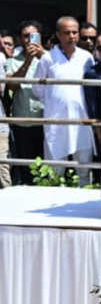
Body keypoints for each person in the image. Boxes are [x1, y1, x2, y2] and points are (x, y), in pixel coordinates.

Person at [32, 17, 94, 185]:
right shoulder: (48, 58)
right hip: (56, 119)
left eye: (75, 32)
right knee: (55, 168)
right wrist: (55, 100)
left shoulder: (86, 57)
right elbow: (37, 87)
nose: (72, 36)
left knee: (84, 168)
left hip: (81, 119)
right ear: (58, 35)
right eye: (67, 33)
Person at [5, 21, 45, 185]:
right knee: (26, 167)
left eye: (33, 36)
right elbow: (12, 85)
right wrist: (27, 61)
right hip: (22, 122)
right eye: (26, 36)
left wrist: (42, 56)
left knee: (47, 165)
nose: (30, 40)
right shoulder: (13, 60)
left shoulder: (49, 58)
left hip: (45, 120)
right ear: (20, 39)